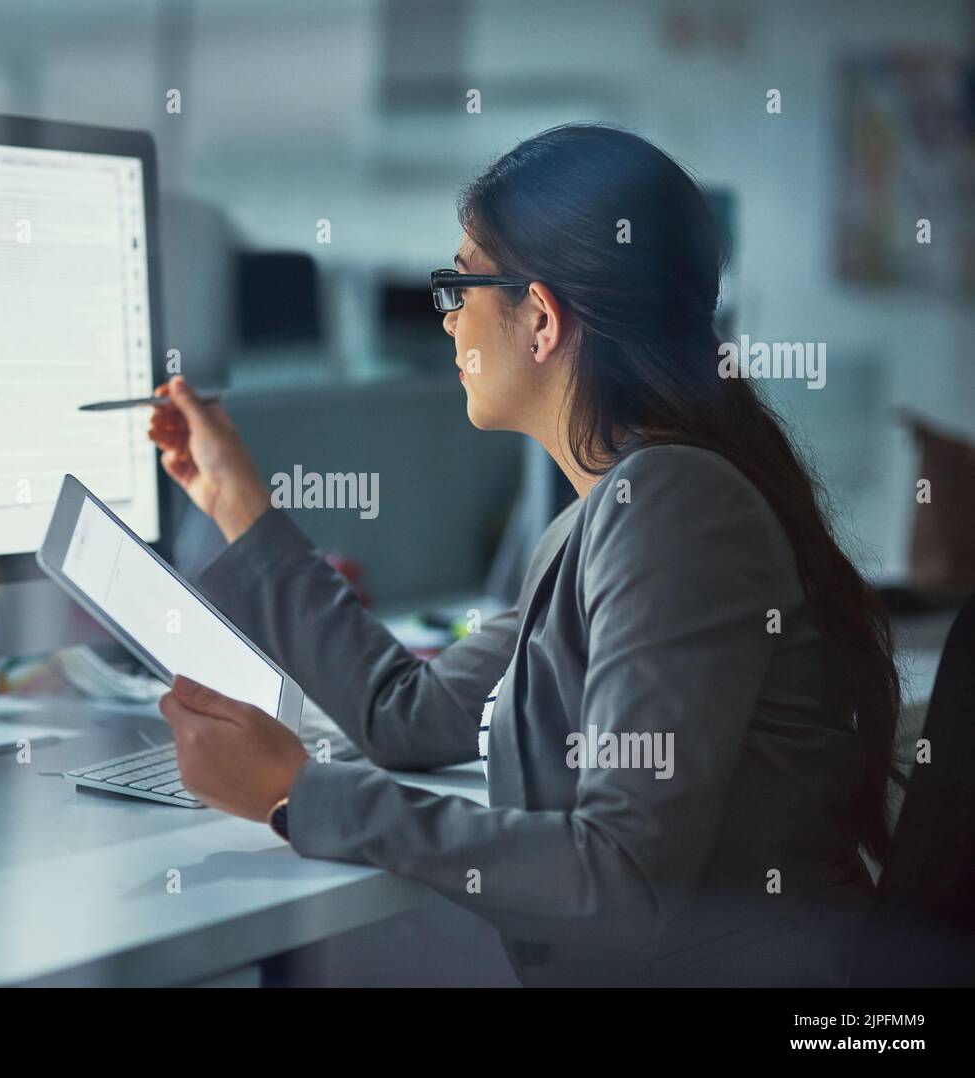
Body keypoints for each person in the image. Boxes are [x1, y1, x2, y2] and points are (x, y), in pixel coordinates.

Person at [147, 123, 902, 987]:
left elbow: (621, 877)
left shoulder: (672, 506)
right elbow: (409, 714)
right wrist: (236, 501)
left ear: (539, 319)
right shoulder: (610, 512)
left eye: (459, 284)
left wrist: (300, 796)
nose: (448, 318)